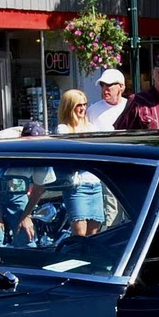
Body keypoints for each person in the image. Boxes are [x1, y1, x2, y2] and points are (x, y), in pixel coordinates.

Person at [0, 119, 56, 246]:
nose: (33, 149)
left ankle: (25, 262)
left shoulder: (43, 152)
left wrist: (26, 216)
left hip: (16, 188)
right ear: (22, 138)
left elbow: (39, 188)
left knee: (26, 235)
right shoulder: (3, 146)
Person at [55, 88, 105, 235]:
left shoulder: (91, 128)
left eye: (84, 104)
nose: (83, 108)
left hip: (95, 183)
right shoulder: (63, 129)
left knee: (94, 230)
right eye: (78, 105)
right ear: (69, 107)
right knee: (79, 230)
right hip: (77, 185)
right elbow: (71, 157)